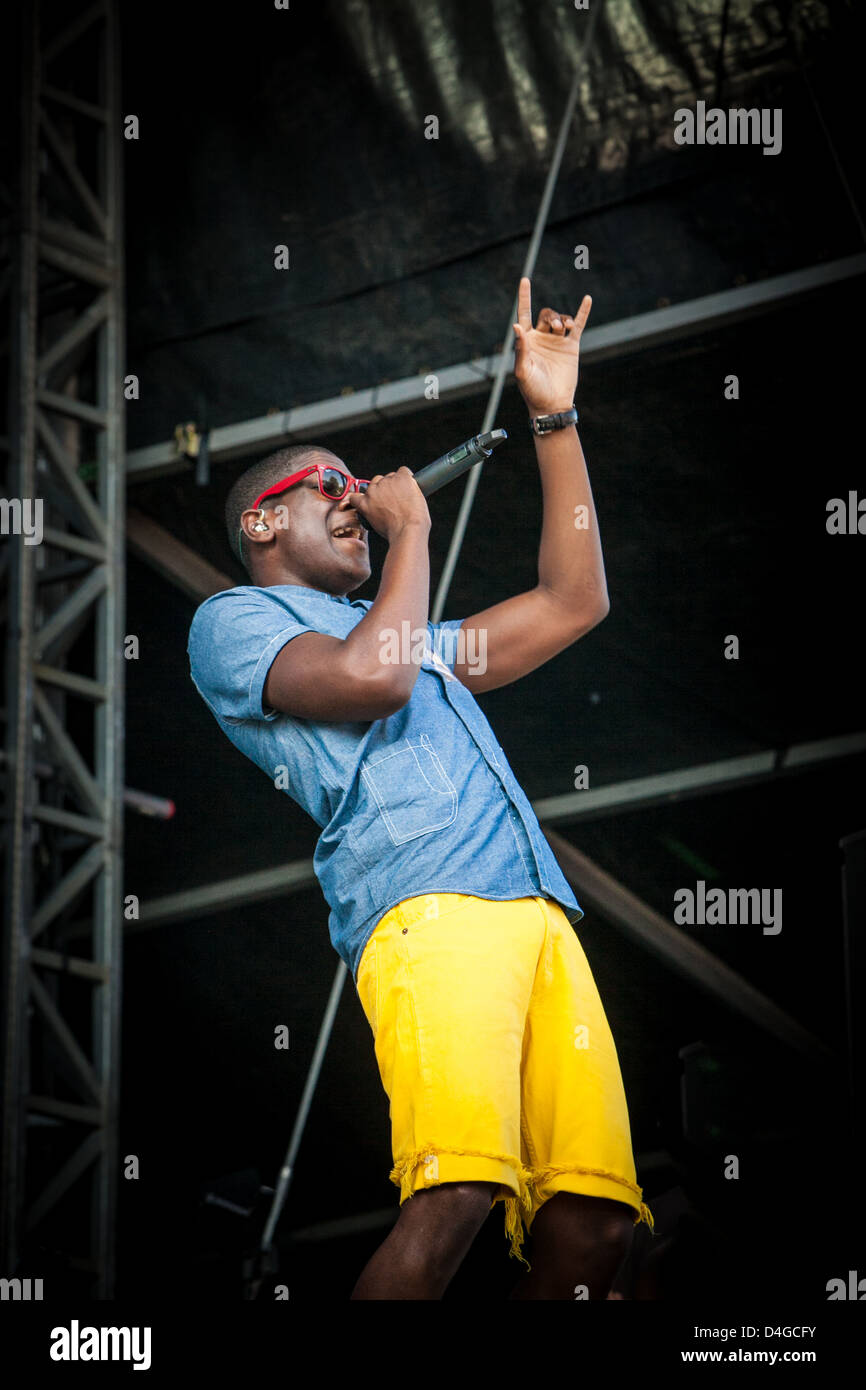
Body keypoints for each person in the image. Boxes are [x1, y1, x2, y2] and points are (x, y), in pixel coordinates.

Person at [187, 278, 653, 1299]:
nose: (352, 495)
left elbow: (576, 599)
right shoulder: (232, 623)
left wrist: (553, 416)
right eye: (329, 487)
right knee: (453, 1197)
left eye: (360, 486)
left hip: (535, 914)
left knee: (596, 1230)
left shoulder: (418, 642)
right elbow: (369, 678)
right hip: (428, 909)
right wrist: (409, 534)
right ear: (263, 525)